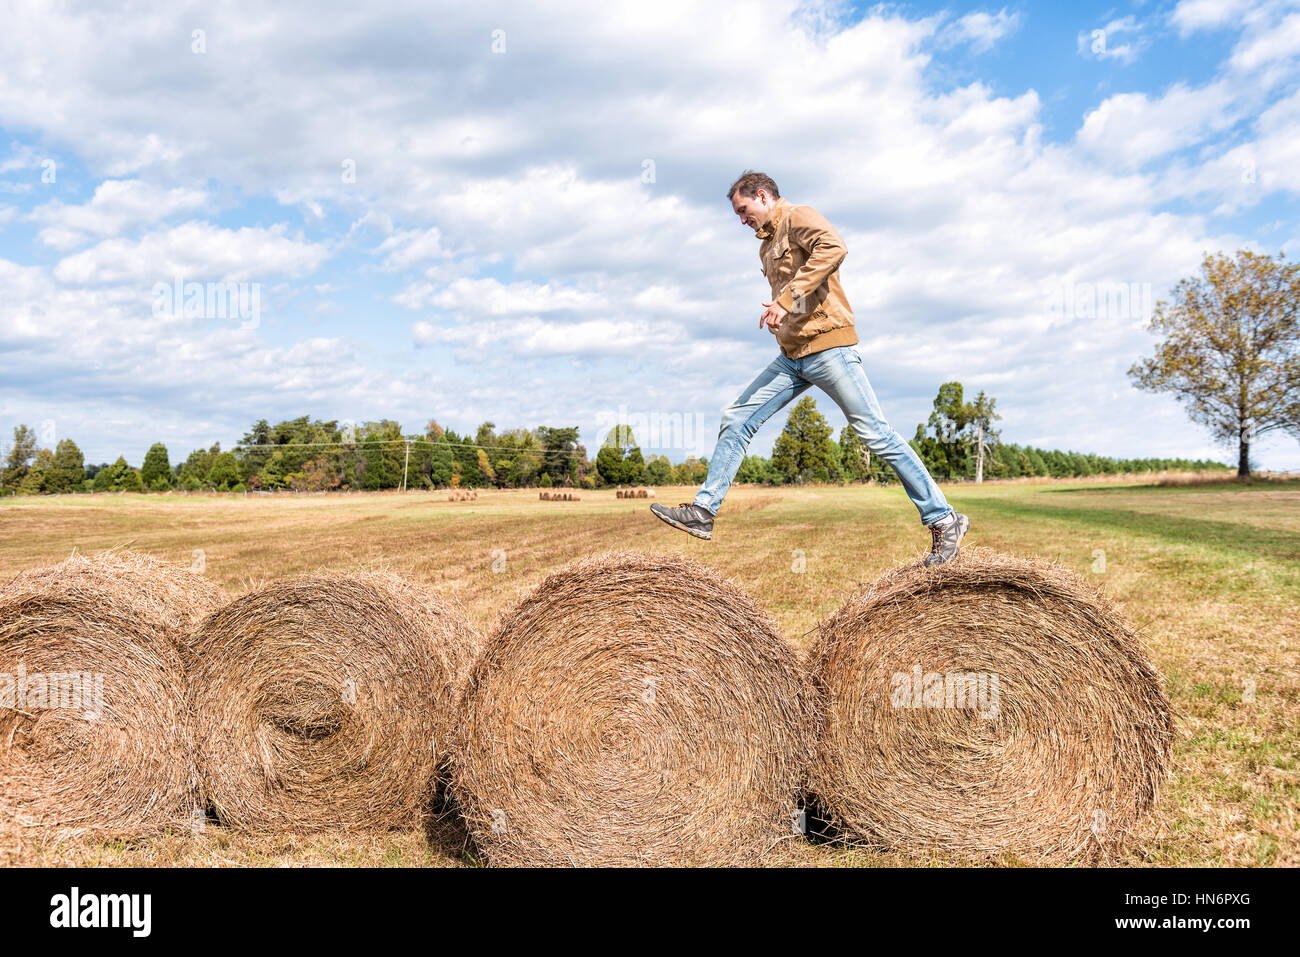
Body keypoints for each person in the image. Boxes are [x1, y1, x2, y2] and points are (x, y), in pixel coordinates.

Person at [651, 170, 970, 566]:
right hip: (793, 357)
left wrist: (785, 301)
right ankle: (703, 511)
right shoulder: (766, 246)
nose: (741, 219)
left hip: (829, 347)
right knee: (737, 418)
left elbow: (834, 247)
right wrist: (781, 316)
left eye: (743, 209)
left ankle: (944, 519)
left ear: (763, 196)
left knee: (875, 434)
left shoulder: (797, 216)